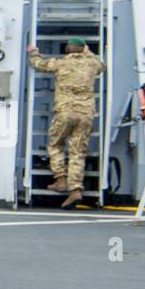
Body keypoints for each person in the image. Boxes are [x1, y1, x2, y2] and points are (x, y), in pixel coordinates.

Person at [27, 37, 105, 208]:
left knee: (55, 145)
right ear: (83, 49)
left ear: (67, 49)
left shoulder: (60, 63)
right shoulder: (92, 64)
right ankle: (75, 190)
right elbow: (102, 66)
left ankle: (60, 179)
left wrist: (33, 52)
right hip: (85, 114)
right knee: (78, 151)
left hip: (65, 112)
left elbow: (38, 64)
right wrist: (88, 52)